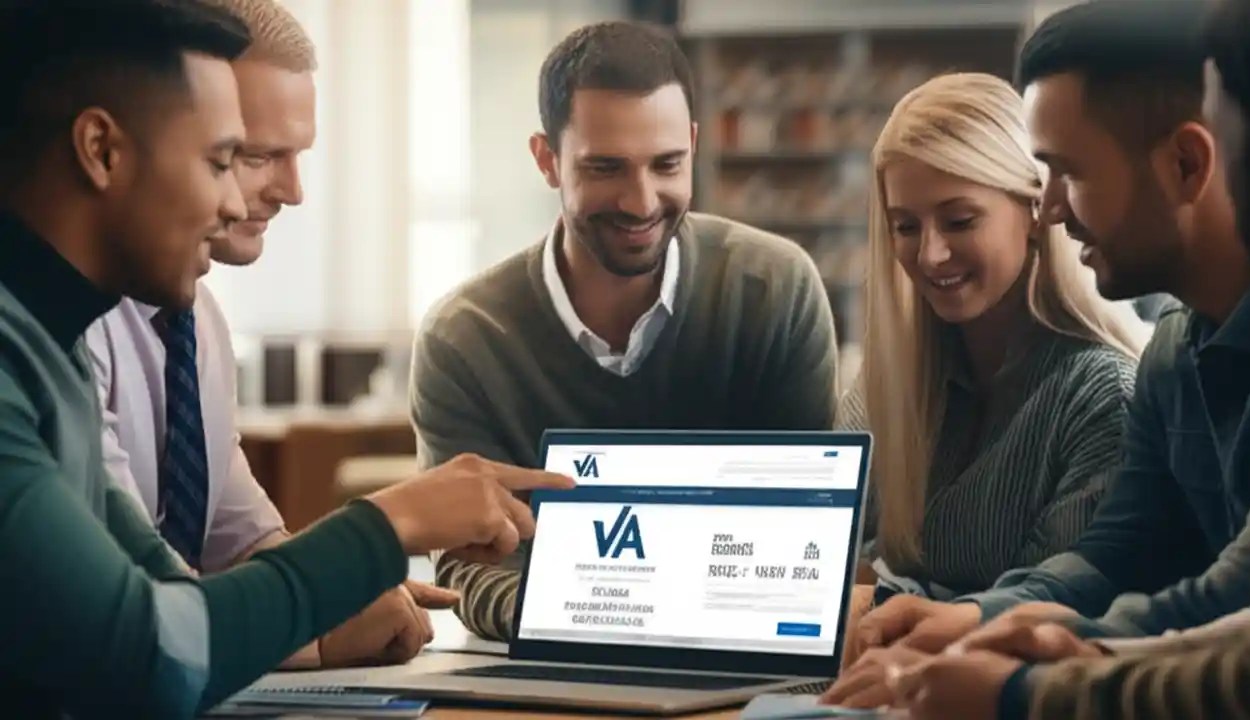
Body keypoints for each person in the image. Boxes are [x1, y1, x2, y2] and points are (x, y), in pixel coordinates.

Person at [0, 2, 571, 717]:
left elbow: (180, 603)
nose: (231, 204)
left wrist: (343, 583)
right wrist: (387, 527)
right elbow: (150, 649)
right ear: (102, 151)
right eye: (221, 160)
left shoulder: (55, 348)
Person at [826, 0, 1250, 706]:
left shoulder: (1106, 385)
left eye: (1066, 173)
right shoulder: (1172, 355)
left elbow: (1244, 611)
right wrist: (982, 620)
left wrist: (1021, 691)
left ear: (1191, 161)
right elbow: (1121, 554)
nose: (1052, 209)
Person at [412, 20, 839, 641]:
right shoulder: (465, 339)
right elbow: (470, 568)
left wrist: (616, 601)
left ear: (694, 143)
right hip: (545, 664)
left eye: (667, 164)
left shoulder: (773, 291)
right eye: (606, 168)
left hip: (742, 654)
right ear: (546, 160)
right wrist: (622, 615)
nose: (641, 202)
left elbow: (803, 538)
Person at [84, 0, 455, 670]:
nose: (292, 191)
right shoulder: (63, 331)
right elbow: (145, 611)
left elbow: (242, 541)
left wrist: (340, 590)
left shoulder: (198, 322)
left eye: (298, 155)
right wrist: (315, 631)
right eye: (246, 156)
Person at [838, 72, 1144, 614]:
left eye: (959, 221)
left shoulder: (1101, 394)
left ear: (1035, 209)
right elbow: (827, 562)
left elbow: (1054, 611)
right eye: (905, 227)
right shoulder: (886, 385)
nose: (930, 255)